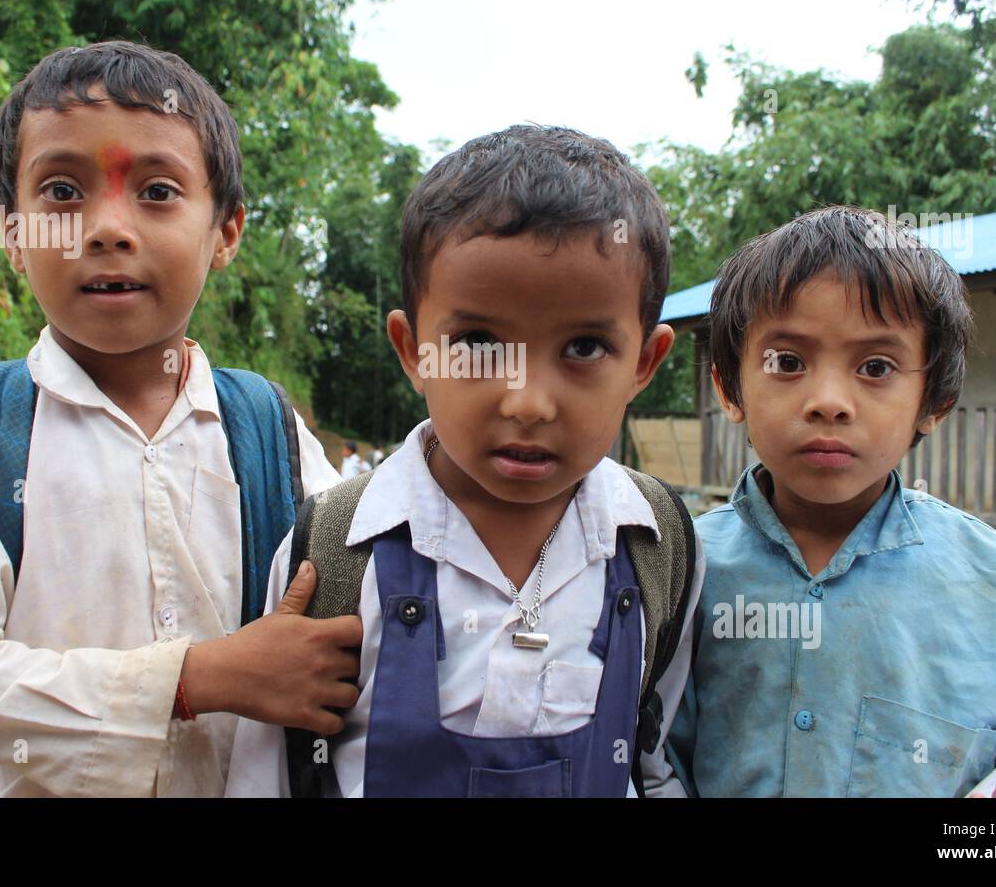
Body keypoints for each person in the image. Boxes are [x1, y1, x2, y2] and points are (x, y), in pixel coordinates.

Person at [0, 41, 361, 797]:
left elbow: (356, 598)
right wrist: (195, 679)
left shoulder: (269, 429)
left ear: (227, 233)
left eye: (157, 191)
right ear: (13, 234)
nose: (107, 227)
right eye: (63, 193)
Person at [225, 125, 703, 798]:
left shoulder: (661, 546)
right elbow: (263, 777)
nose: (529, 402)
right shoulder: (332, 554)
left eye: (585, 348)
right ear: (413, 350)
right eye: (478, 342)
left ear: (645, 363)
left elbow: (655, 762)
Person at [670, 205, 996, 797]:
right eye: (787, 362)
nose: (828, 401)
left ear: (935, 401)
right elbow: (647, 764)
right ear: (729, 385)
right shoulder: (681, 573)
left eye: (877, 366)